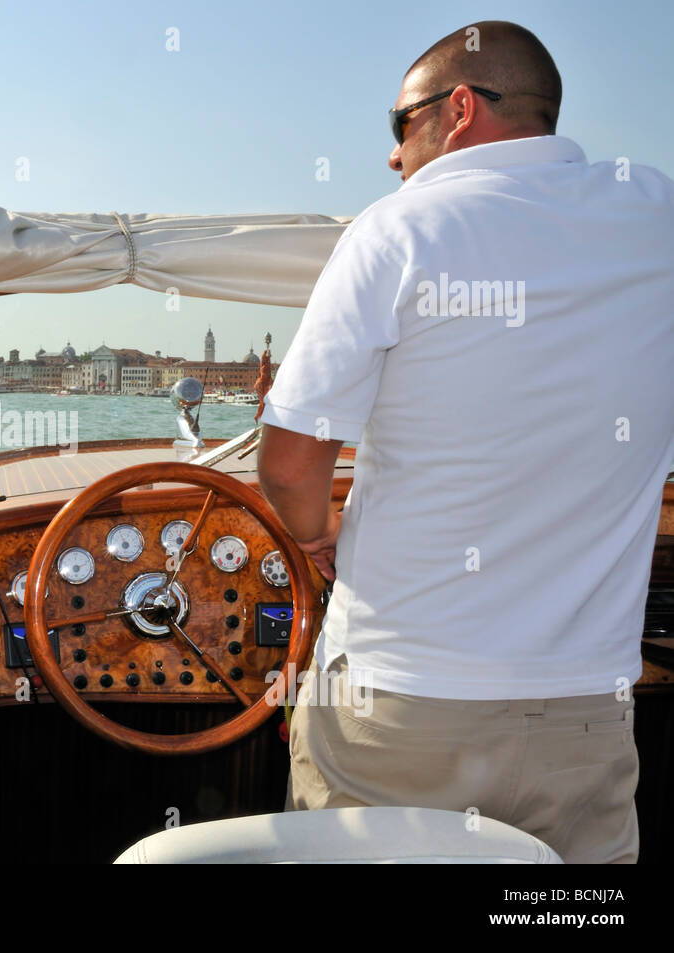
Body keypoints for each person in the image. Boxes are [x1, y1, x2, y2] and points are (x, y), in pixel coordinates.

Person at [255, 20, 674, 863]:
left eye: (397, 124)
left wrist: (310, 537)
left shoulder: (397, 231)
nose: (391, 155)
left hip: (402, 711)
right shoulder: (657, 214)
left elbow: (295, 457)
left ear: (457, 110)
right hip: (587, 710)